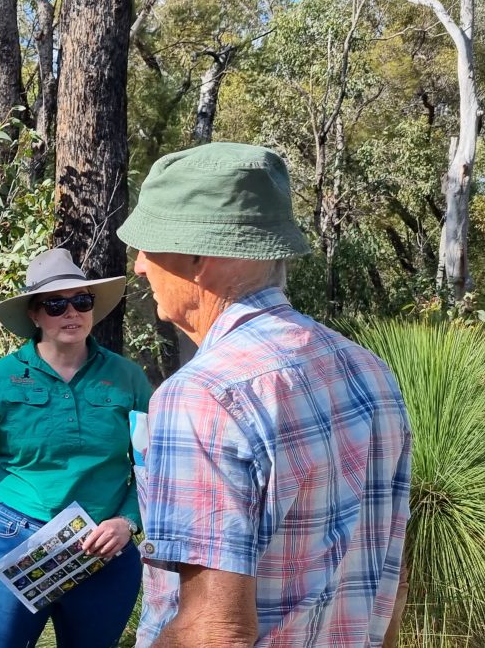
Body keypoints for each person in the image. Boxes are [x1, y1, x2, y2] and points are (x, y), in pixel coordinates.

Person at [117, 142, 411, 647]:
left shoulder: (202, 396)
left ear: (198, 255)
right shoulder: (371, 374)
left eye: (148, 246)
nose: (140, 265)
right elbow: (390, 579)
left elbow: (214, 632)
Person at [0, 247, 151, 648]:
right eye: (55, 304)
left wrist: (127, 522)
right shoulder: (1, 376)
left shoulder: (127, 377)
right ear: (34, 314)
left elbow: (153, 464)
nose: (71, 312)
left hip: (102, 547)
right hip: (13, 539)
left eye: (81, 301)